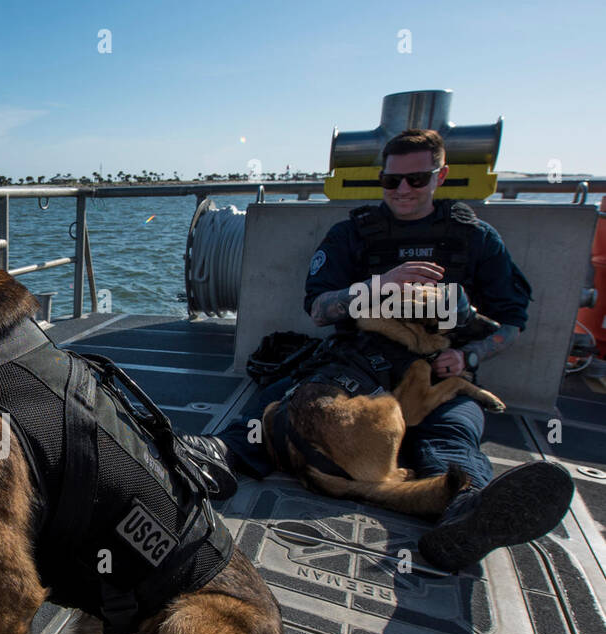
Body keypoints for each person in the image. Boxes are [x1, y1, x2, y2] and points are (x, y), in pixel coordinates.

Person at [211, 128, 573, 572]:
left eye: (416, 180)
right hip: (355, 360)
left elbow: (513, 320)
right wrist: (379, 284)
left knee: (452, 431)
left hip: (437, 370)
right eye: (392, 180)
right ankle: (210, 461)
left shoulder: (475, 238)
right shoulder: (353, 234)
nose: (403, 190)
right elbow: (319, 310)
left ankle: (466, 511)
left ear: (440, 176)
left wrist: (469, 356)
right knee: (273, 405)